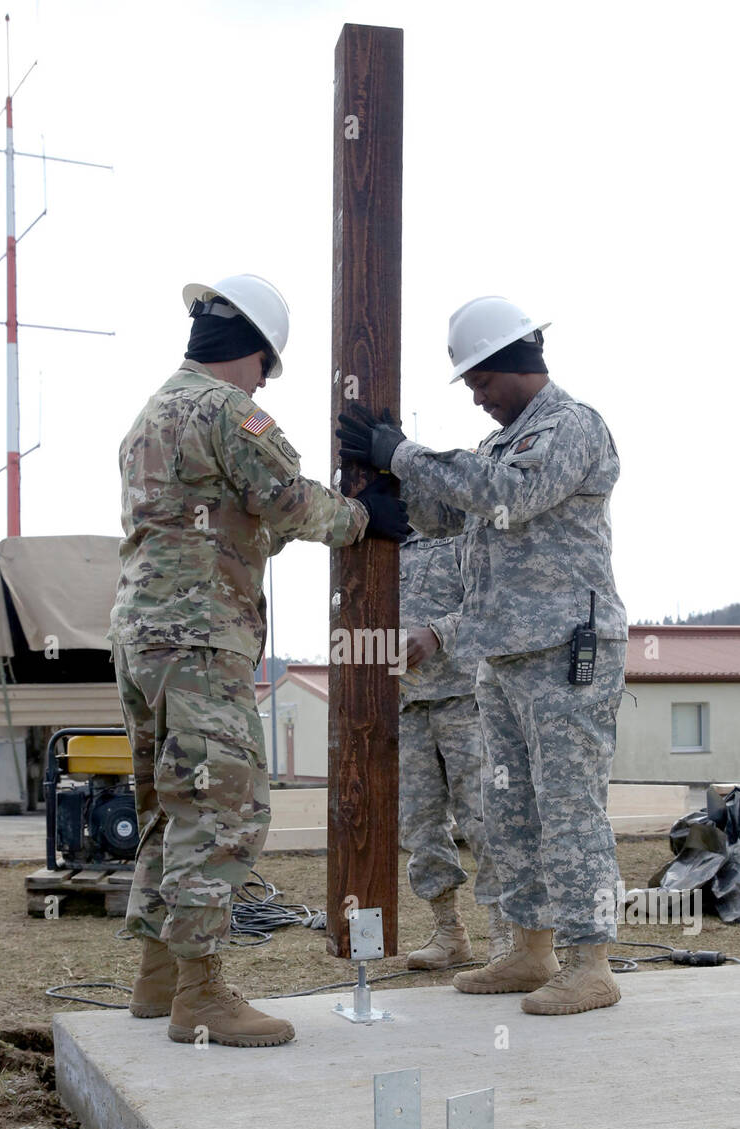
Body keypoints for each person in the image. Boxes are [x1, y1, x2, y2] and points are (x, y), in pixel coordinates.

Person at [109, 274, 408, 1047]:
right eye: (267, 369)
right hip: (203, 636)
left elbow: (224, 518)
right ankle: (202, 995)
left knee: (167, 804)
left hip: (142, 638)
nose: (264, 381)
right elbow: (287, 501)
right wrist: (365, 517)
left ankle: (159, 978)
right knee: (222, 808)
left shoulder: (150, 415)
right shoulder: (227, 410)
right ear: (256, 354)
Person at [337, 296, 628, 1016]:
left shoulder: (569, 426)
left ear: (512, 365)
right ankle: (530, 949)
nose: (477, 396)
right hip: (498, 656)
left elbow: (508, 496)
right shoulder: (502, 442)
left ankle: (591, 961)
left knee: (569, 805)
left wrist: (403, 453)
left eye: (480, 382)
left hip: (565, 649)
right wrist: (395, 478)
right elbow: (449, 516)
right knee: (512, 810)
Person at [399, 528, 510, 969]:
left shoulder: (468, 535)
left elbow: (493, 604)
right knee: (419, 823)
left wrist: (437, 633)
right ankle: (449, 932)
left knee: (483, 818)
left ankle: (505, 932)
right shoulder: (388, 544)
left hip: (465, 697)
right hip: (405, 703)